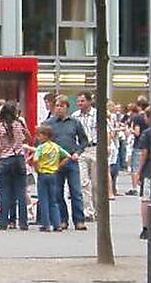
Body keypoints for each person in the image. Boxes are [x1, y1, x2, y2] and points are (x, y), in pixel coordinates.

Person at [43, 96, 88, 231]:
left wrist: (78, 152)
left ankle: (79, 220)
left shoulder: (75, 123)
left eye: (62, 106)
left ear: (67, 107)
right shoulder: (48, 123)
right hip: (55, 162)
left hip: (71, 160)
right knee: (57, 192)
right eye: (57, 105)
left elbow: (84, 140)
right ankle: (62, 219)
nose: (59, 108)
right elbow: (42, 142)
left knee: (76, 191)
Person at [0, 102, 30, 230]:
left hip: (5, 160)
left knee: (5, 192)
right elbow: (26, 138)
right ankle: (23, 223)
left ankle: (4, 222)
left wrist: (0, 149)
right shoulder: (19, 125)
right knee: (21, 192)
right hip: (19, 159)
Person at [27, 124, 67, 231]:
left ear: (44, 136)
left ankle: (46, 224)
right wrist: (58, 165)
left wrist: (37, 168)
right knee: (53, 201)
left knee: (43, 200)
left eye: (38, 135)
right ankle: (57, 224)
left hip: (43, 174)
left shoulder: (41, 148)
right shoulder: (55, 147)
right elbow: (67, 156)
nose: (37, 138)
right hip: (53, 174)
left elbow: (35, 160)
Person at [71, 92, 99, 220]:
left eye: (82, 101)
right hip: (82, 150)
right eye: (78, 101)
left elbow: (107, 131)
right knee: (83, 183)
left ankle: (98, 210)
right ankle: (88, 211)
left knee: (96, 183)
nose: (79, 104)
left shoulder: (97, 114)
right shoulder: (75, 116)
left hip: (96, 148)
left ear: (89, 101)